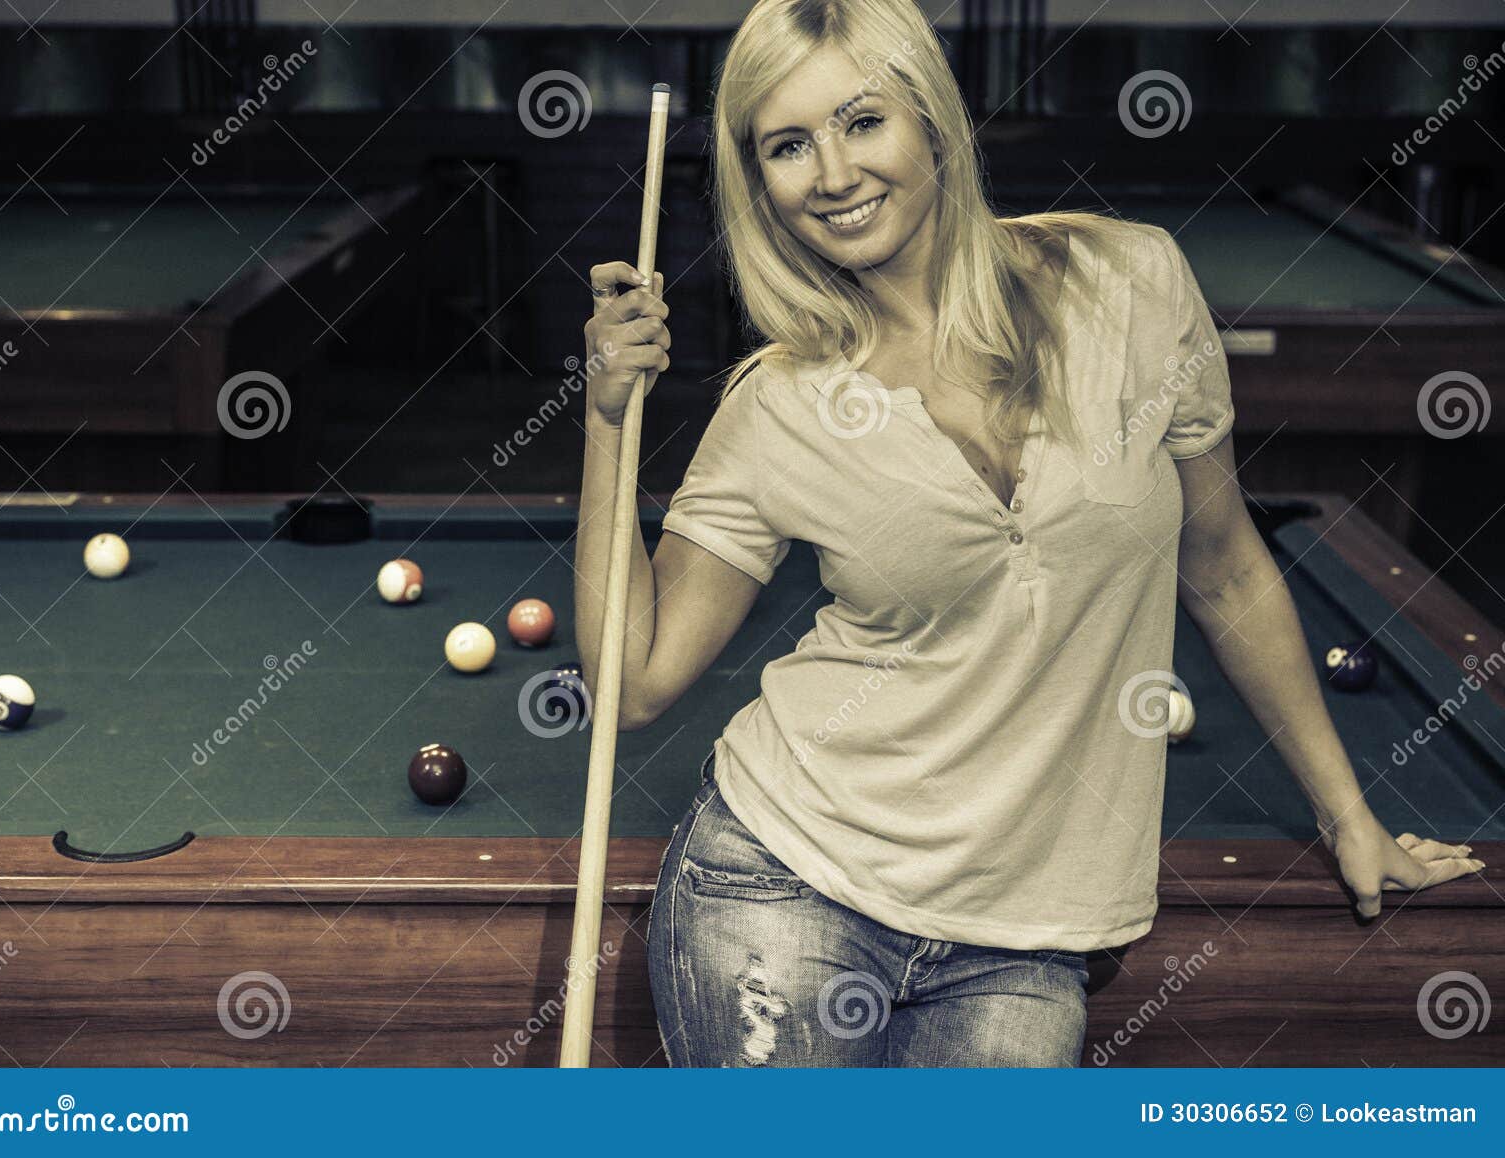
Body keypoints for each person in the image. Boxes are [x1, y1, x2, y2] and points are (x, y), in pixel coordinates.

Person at [572, 0, 1483, 1067]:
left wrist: (1346, 816)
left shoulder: (1130, 284)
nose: (831, 173)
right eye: (787, 145)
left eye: (861, 121)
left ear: (930, 120)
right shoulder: (780, 403)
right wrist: (599, 419)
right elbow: (631, 683)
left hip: (1026, 938)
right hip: (786, 879)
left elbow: (1226, 567)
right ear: (758, 185)